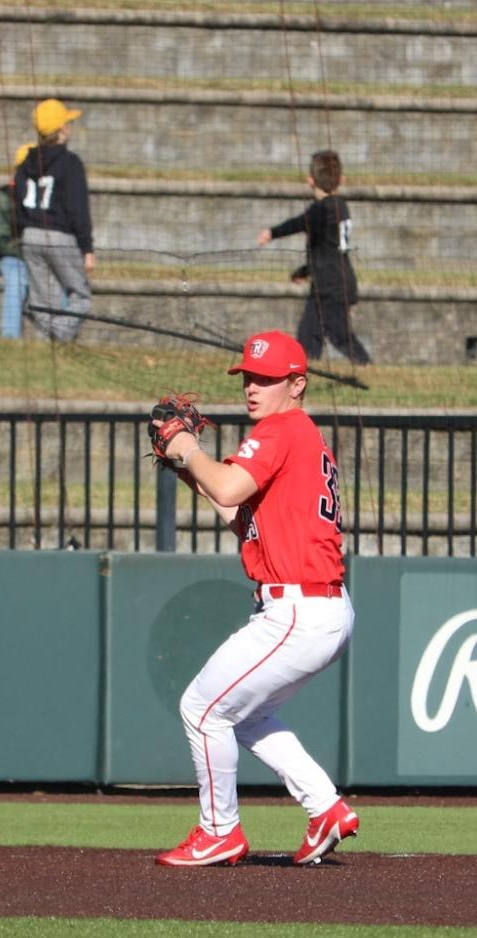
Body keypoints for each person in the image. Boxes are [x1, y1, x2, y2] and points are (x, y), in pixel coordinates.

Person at [151, 331, 360, 867]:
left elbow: (224, 487)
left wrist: (189, 449)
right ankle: (326, 807)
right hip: (316, 607)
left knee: (201, 710)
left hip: (298, 609)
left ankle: (219, 830)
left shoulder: (282, 428)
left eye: (266, 379)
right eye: (248, 376)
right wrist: (184, 464)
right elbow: (235, 511)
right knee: (243, 717)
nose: (253, 387)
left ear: (297, 384)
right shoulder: (300, 437)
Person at [258, 148, 369, 366]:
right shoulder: (341, 206)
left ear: (310, 181)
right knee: (308, 335)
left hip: (331, 285)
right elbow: (325, 249)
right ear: (341, 180)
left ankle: (365, 366)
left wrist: (272, 233)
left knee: (340, 335)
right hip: (330, 281)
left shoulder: (321, 209)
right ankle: (304, 369)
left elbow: (299, 223)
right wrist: (304, 271)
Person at [17, 97, 93, 342]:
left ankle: (44, 346)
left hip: (30, 235)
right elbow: (77, 208)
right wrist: (87, 248)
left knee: (43, 300)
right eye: (68, 122)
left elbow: (16, 200)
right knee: (81, 296)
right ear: (62, 129)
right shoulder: (70, 163)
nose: (70, 127)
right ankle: (59, 336)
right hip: (59, 236)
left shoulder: (25, 162)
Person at [0, 142, 32, 339]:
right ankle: (10, 337)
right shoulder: (6, 196)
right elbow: (2, 241)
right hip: (13, 256)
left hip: (37, 257)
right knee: (17, 279)